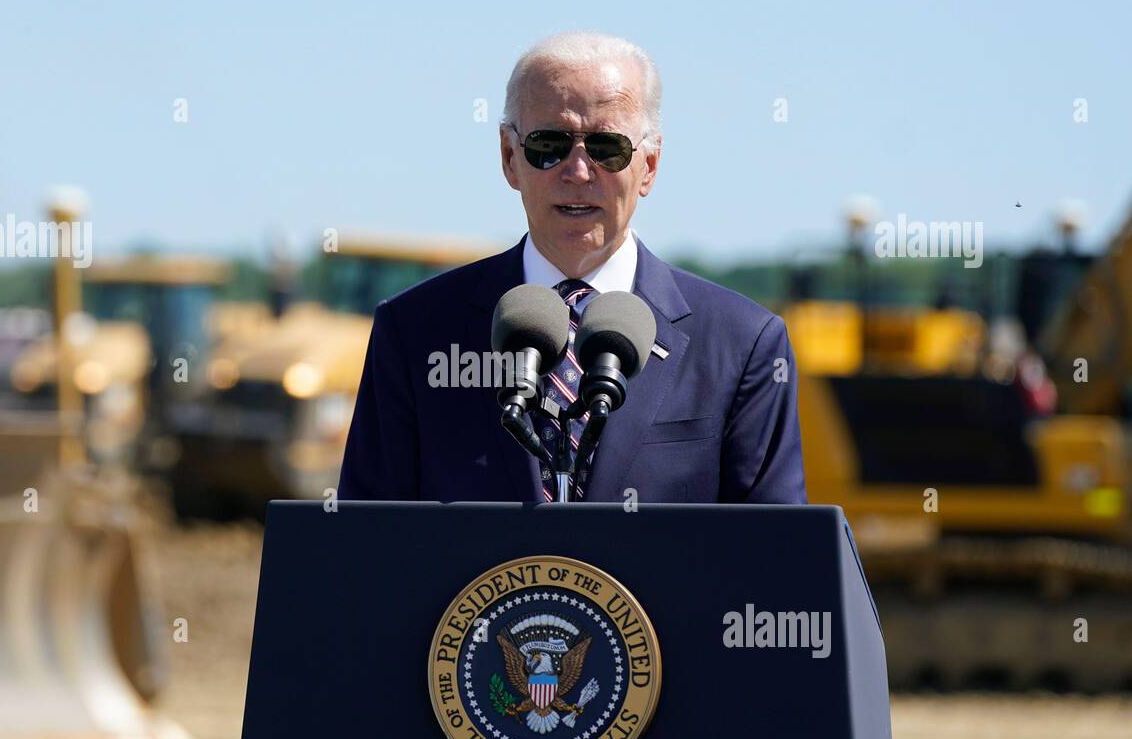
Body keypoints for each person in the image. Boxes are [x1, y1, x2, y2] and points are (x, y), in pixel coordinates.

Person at [338, 31, 806, 505]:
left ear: (649, 166)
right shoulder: (415, 333)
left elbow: (775, 559)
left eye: (607, 148)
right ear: (508, 157)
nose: (578, 172)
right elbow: (364, 547)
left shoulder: (744, 345)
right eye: (548, 145)